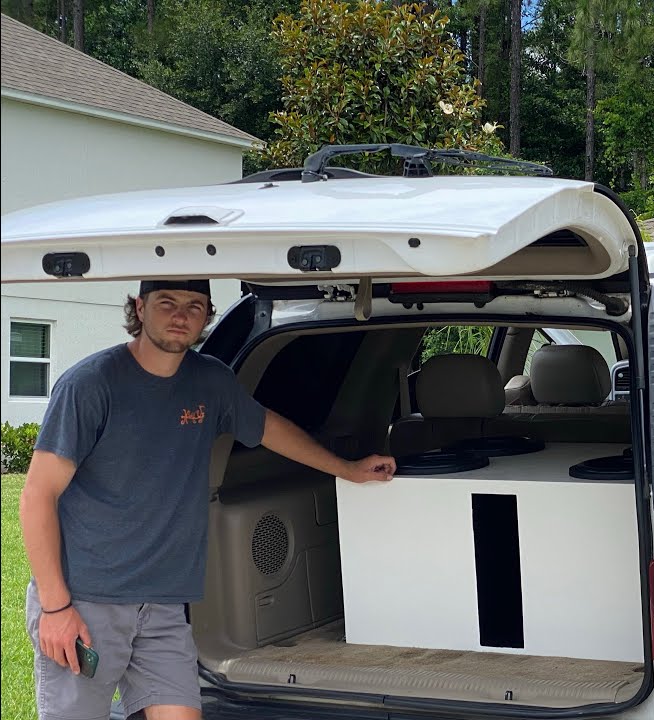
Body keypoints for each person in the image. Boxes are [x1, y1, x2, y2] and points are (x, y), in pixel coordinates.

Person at [20, 279, 396, 720]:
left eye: (194, 306)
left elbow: (268, 428)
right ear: (139, 309)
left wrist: (346, 469)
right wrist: (56, 607)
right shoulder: (90, 384)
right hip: (88, 600)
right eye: (167, 303)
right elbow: (37, 496)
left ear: (207, 315)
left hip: (162, 605)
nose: (181, 315)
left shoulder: (210, 381)